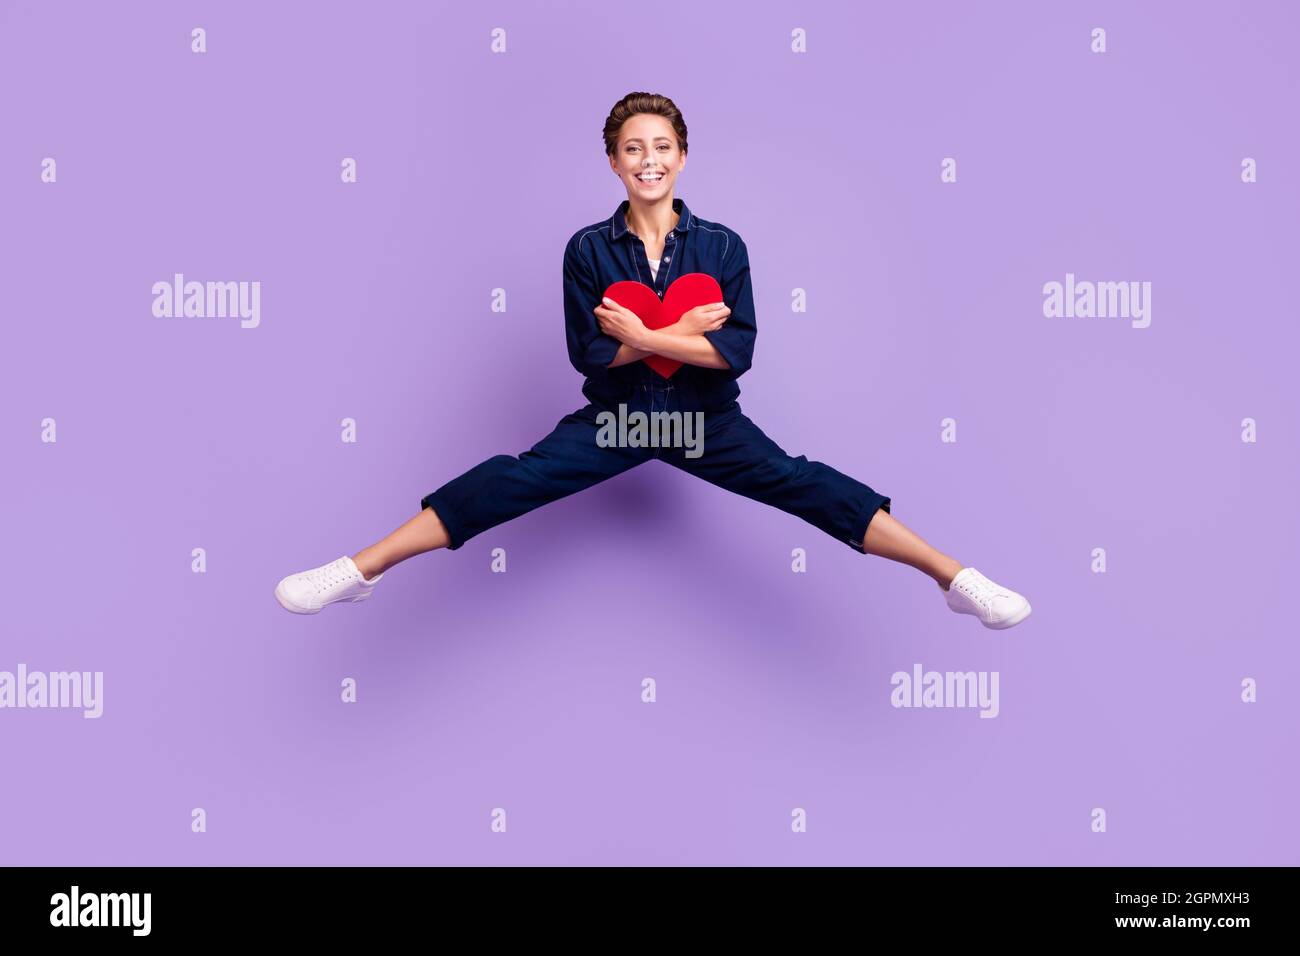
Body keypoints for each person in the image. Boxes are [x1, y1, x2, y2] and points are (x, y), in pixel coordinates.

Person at [274, 92, 1031, 630]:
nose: (648, 159)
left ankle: (955, 579)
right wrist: (669, 337)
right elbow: (591, 353)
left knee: (804, 484)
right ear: (612, 160)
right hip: (620, 421)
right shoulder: (586, 249)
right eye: (633, 148)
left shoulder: (722, 247)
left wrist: (644, 334)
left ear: (683, 156)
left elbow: (733, 355)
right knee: (511, 480)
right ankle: (359, 572)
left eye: (661, 146)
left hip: (706, 424)